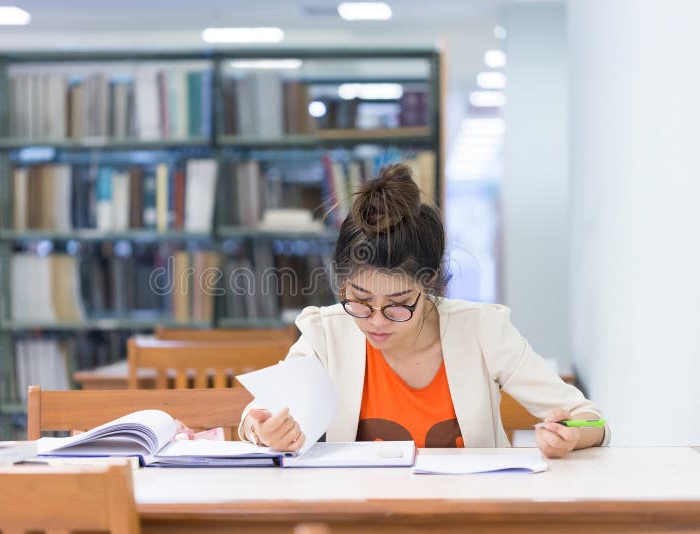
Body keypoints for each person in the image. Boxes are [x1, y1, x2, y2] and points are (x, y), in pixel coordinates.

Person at [238, 163, 607, 458]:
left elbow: (590, 420)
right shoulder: (326, 333)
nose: (377, 321)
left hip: (470, 520)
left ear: (429, 284)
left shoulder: (482, 331)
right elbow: (256, 417)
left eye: (398, 305)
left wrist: (571, 438)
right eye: (361, 301)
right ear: (342, 284)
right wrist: (263, 430)